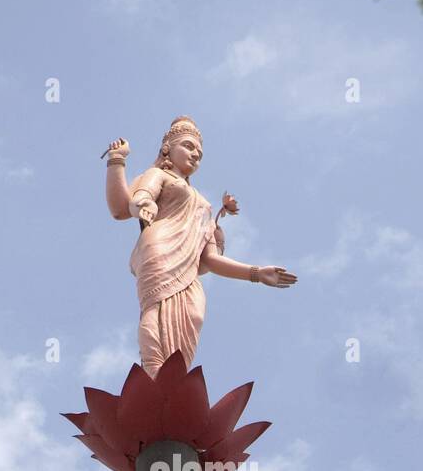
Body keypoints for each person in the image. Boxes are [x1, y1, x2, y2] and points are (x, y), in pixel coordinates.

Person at [103, 116, 297, 379]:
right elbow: (125, 206)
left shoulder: (203, 205)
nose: (195, 155)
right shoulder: (158, 174)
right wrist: (118, 162)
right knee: (156, 312)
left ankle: (173, 383)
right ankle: (154, 376)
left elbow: (210, 260)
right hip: (160, 253)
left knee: (192, 316)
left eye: (200, 153)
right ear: (167, 149)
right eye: (188, 146)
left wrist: (256, 273)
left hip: (189, 273)